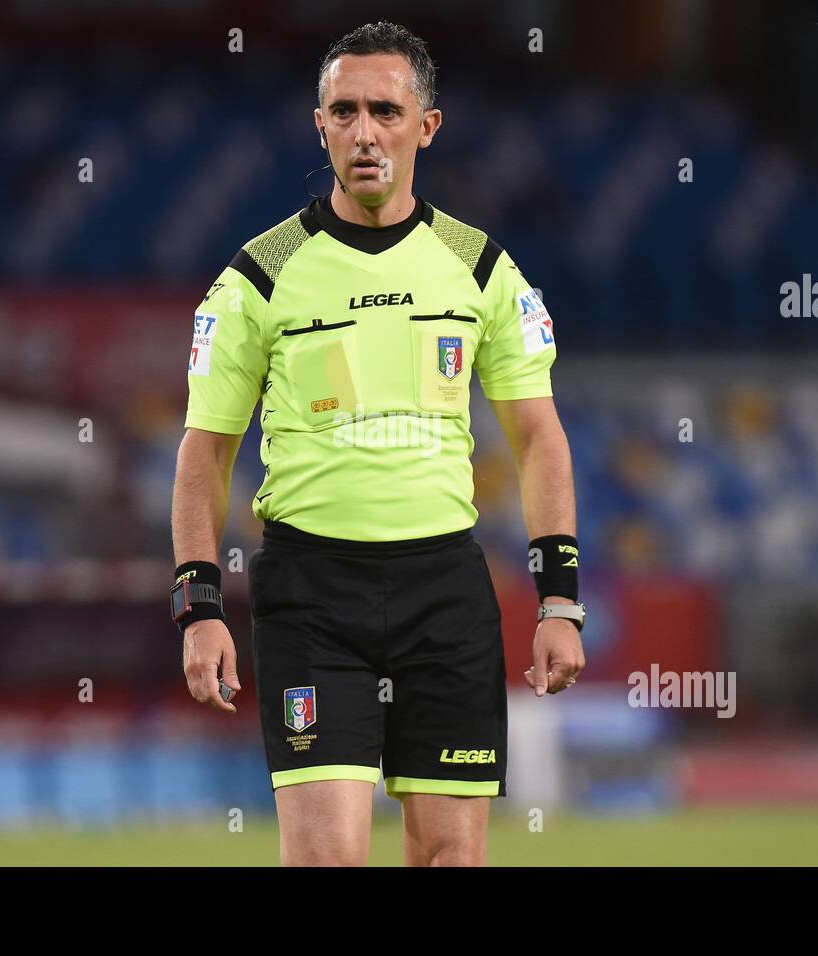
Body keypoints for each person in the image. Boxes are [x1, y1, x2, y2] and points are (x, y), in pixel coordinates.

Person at [172, 21, 584, 866]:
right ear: (317, 124)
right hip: (311, 598)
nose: (366, 132)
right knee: (327, 860)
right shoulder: (258, 274)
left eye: (387, 111)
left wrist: (559, 600)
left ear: (426, 125)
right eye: (345, 111)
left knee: (452, 860)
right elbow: (203, 453)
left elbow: (538, 437)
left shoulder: (480, 268)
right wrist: (198, 606)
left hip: (446, 593)